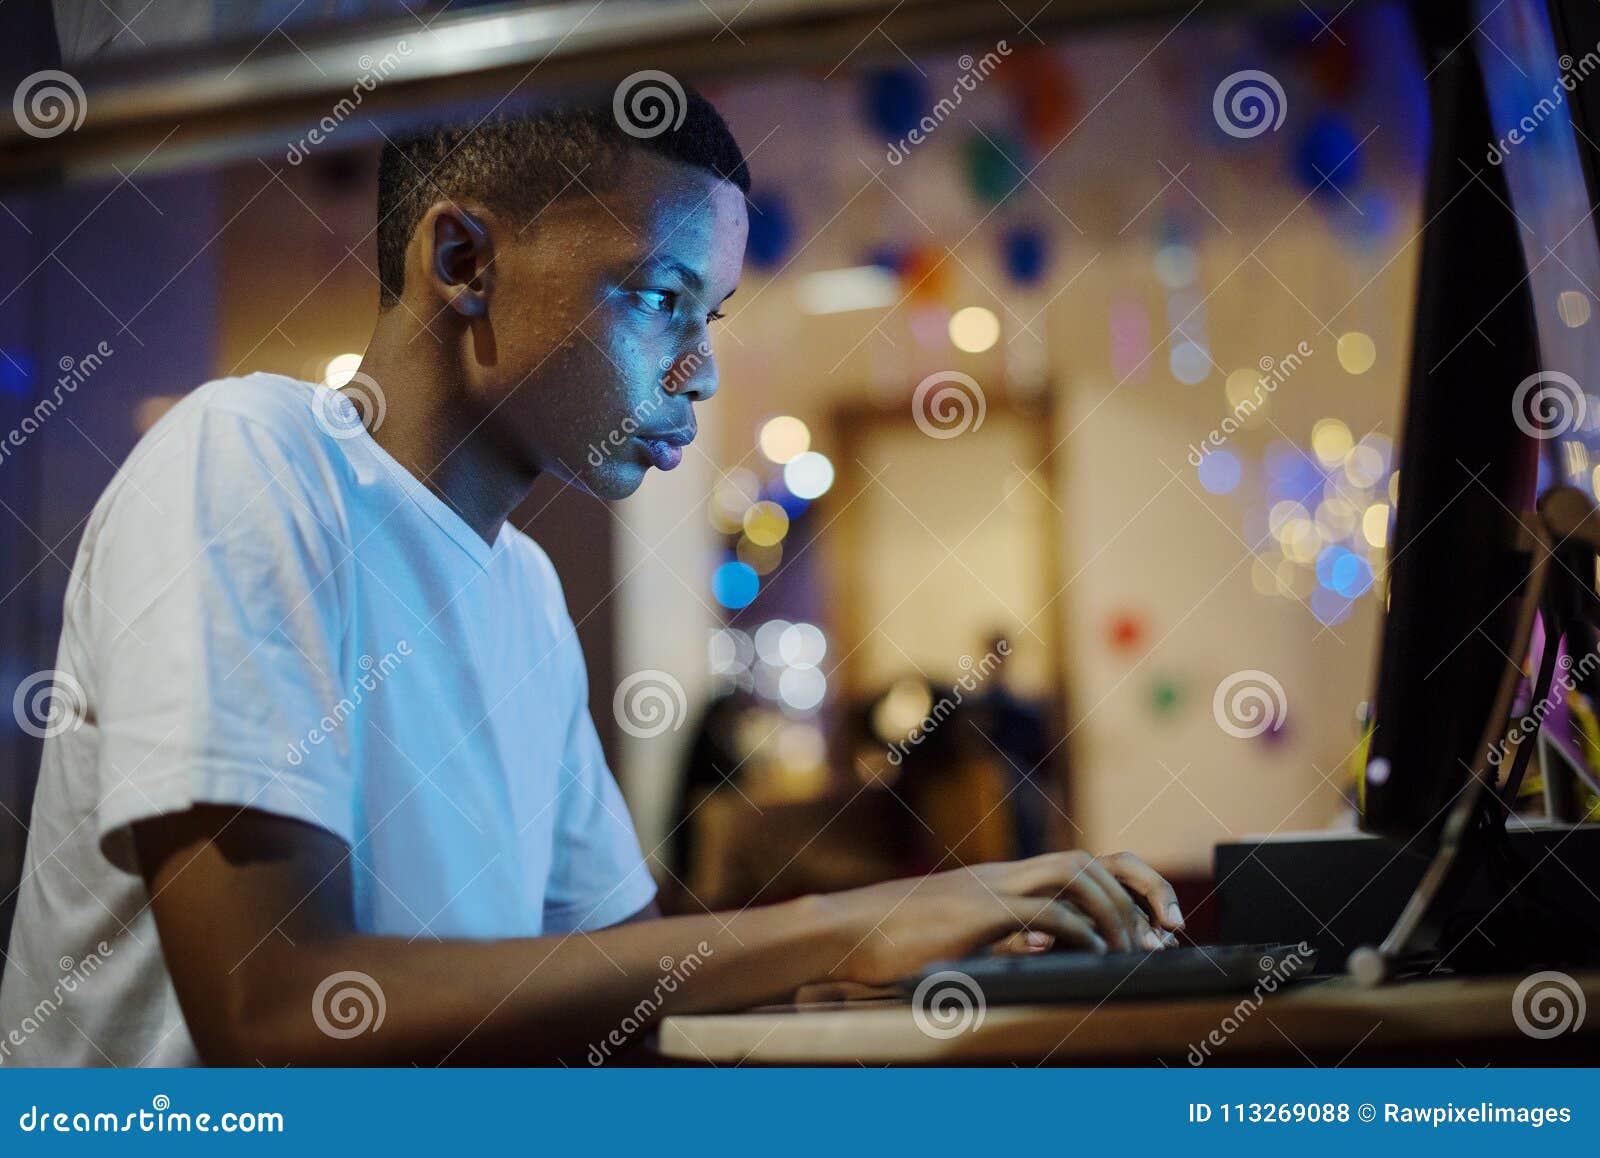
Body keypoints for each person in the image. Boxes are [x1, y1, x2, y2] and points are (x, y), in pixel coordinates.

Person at [0, 90, 1184, 1066]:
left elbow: (616, 995)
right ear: (462, 258)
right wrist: (847, 923)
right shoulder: (247, 460)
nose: (701, 371)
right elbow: (279, 1013)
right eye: (661, 300)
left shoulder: (521, 592)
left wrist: (930, 974)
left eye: (708, 313)